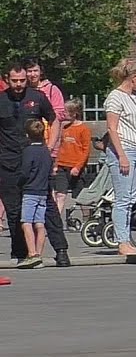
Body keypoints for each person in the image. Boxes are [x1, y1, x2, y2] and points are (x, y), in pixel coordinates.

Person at [3, 63, 70, 267]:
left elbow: (55, 119)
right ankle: (23, 253)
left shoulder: (37, 97)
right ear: (7, 79)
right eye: (15, 81)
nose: (19, 84)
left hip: (34, 160)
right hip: (7, 162)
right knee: (14, 210)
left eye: (22, 80)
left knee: (48, 207)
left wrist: (49, 148)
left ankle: (61, 251)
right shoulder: (1, 100)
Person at [105, 58, 136, 257]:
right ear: (133, 77)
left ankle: (126, 238)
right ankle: (121, 240)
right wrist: (121, 155)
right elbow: (112, 128)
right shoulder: (116, 97)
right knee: (122, 199)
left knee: (131, 198)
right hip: (123, 150)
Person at [16, 119, 53, 269]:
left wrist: (19, 183)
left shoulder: (28, 151)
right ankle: (39, 254)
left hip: (30, 190)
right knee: (40, 224)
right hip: (43, 191)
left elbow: (25, 172)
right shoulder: (46, 152)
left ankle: (32, 254)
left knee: (26, 222)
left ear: (27, 135)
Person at [52, 98, 91, 222]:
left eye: (67, 111)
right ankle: (56, 221)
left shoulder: (83, 129)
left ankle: (87, 219)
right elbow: (61, 147)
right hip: (62, 165)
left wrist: (78, 167)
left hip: (75, 166)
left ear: (75, 113)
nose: (64, 113)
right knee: (60, 194)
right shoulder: (65, 128)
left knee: (80, 195)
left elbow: (86, 150)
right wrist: (56, 164)